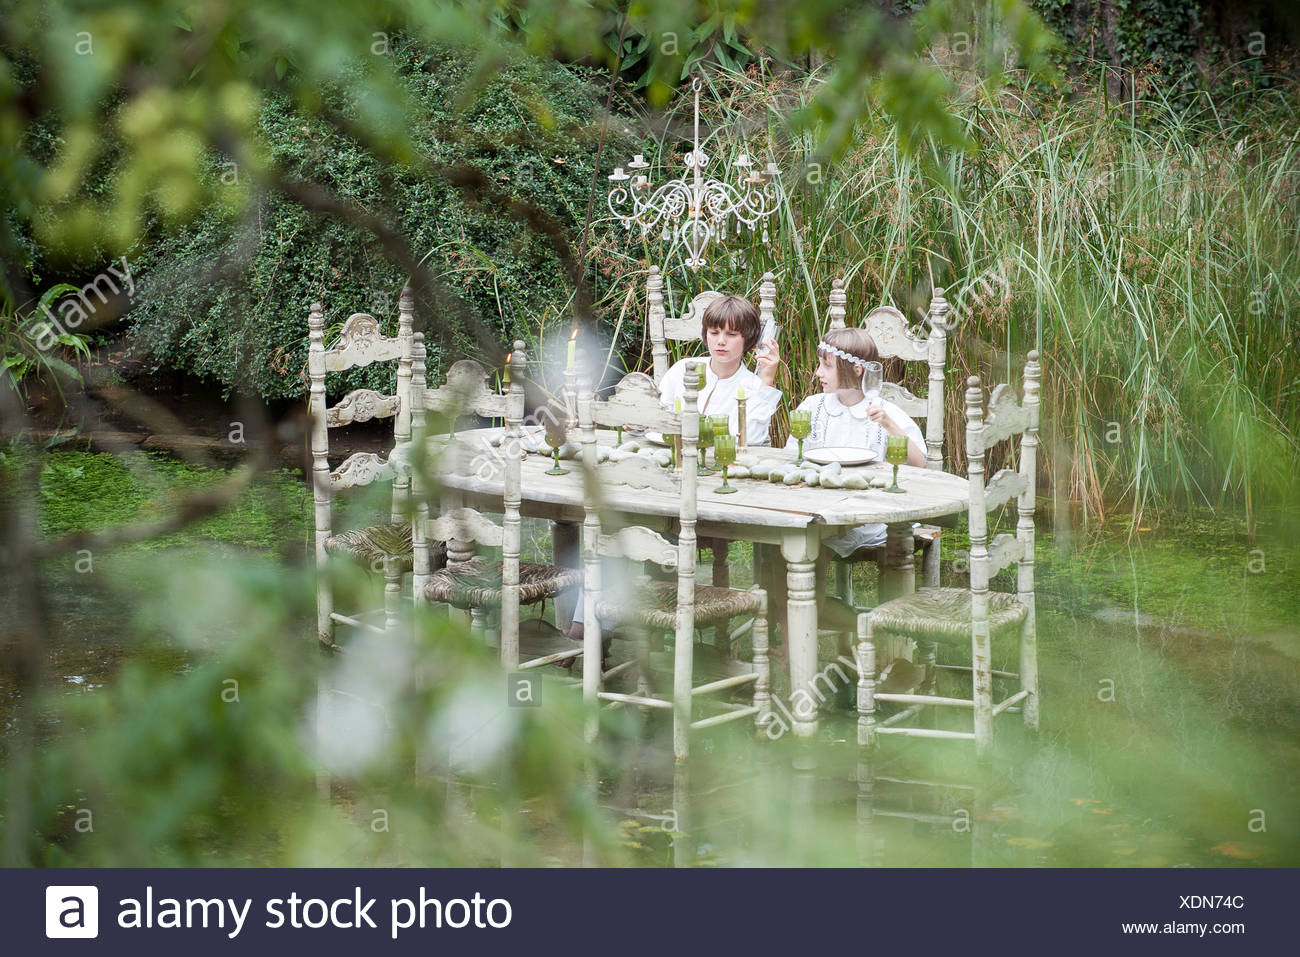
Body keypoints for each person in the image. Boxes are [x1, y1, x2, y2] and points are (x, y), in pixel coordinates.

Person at [564, 293, 783, 646]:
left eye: (731, 334)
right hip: (664, 476)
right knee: (612, 523)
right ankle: (589, 623)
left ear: (749, 340)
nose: (721, 341)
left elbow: (751, 439)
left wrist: (767, 379)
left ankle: (634, 628)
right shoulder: (684, 370)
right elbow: (656, 416)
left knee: (660, 529)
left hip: (712, 490)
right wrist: (640, 422)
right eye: (714, 332)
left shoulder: (751, 386)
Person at [776, 326, 926, 635]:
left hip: (868, 517)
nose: (818, 372)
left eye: (826, 365)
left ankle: (848, 630)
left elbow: (919, 463)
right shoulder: (812, 408)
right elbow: (793, 455)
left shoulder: (882, 413)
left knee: (808, 551)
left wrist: (888, 424)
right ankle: (857, 628)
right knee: (787, 553)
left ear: (856, 369)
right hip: (818, 512)